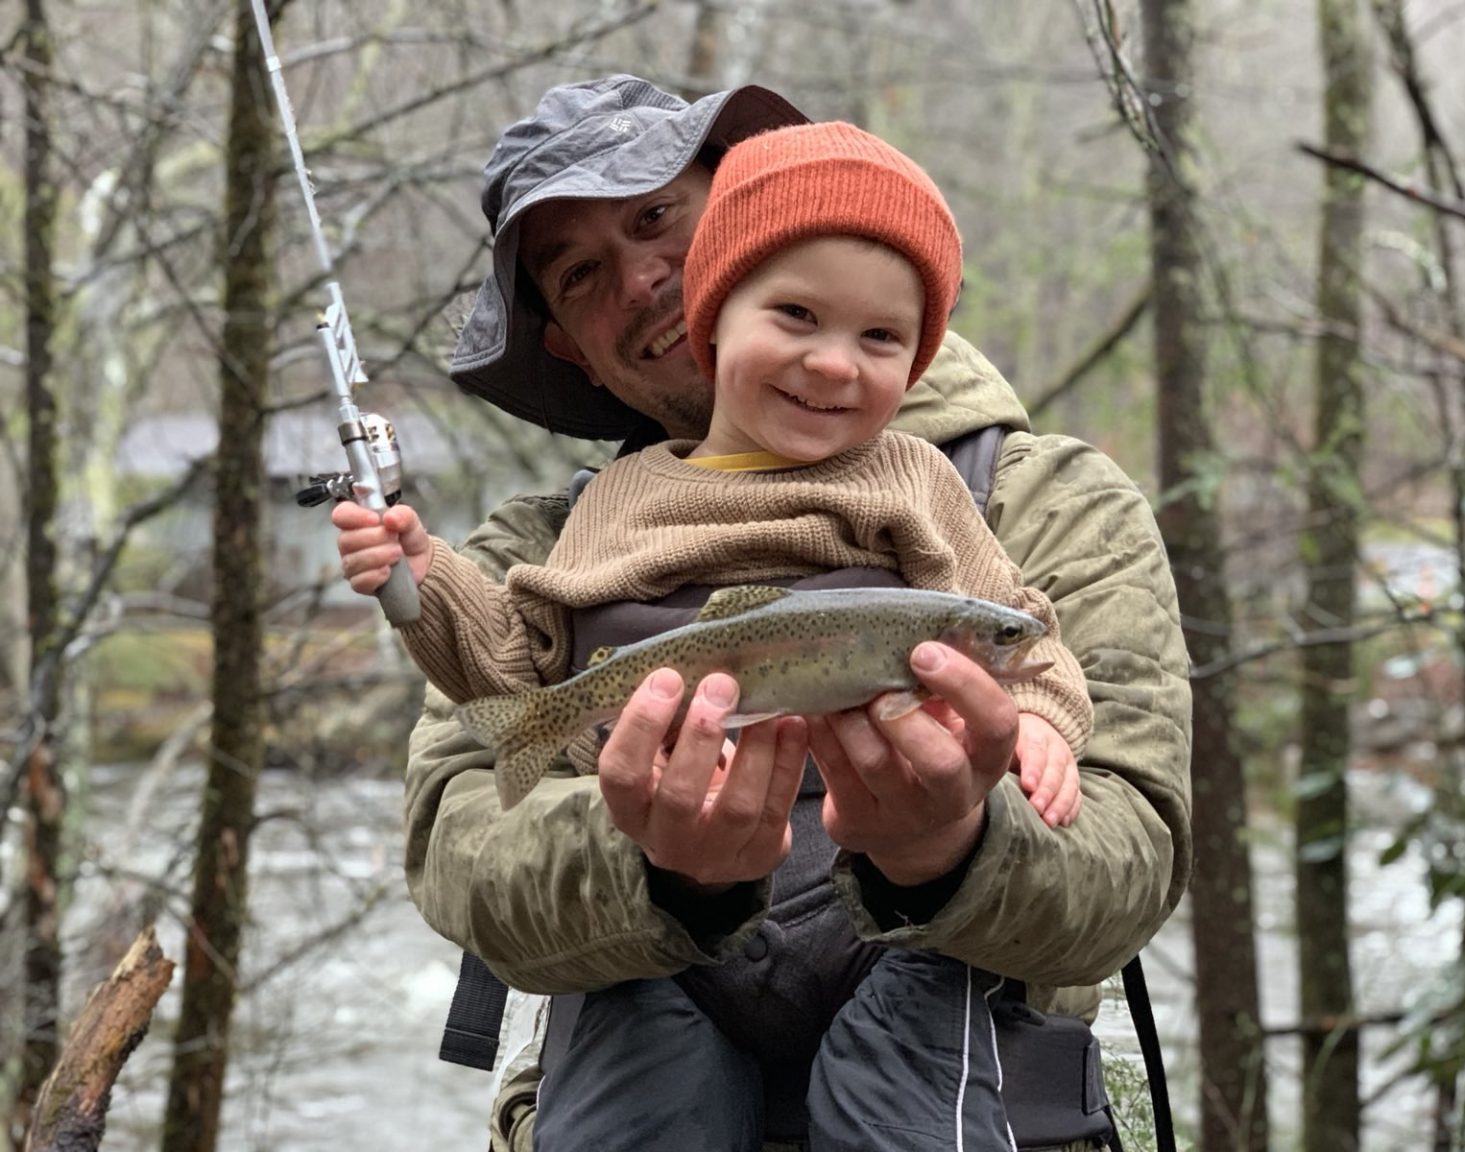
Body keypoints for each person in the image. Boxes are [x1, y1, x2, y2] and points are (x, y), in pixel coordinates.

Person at [353, 76, 1192, 1152]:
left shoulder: (1039, 499)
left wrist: (956, 844)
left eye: (657, 216)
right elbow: (463, 859)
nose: (643, 276)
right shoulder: (546, 548)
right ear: (564, 340)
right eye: (580, 274)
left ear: (744, 214)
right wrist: (659, 868)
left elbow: (1131, 864)